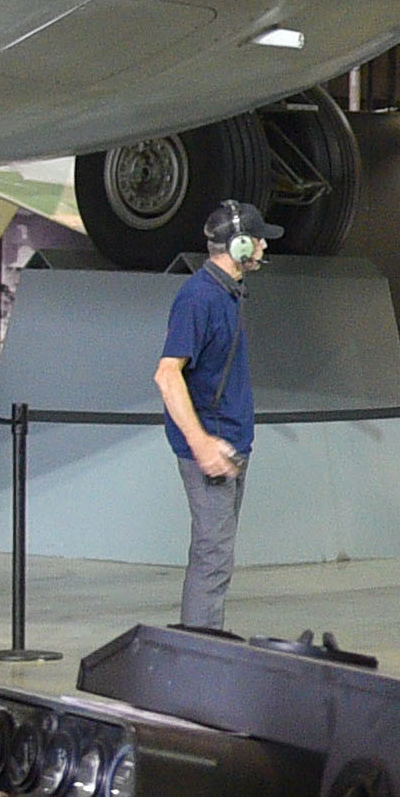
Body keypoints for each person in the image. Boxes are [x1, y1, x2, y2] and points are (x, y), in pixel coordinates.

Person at [151, 196, 270, 631]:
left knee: (216, 557)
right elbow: (167, 376)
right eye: (257, 241)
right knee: (212, 559)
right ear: (239, 245)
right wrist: (202, 445)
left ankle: (203, 649)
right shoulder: (198, 298)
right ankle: (201, 655)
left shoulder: (226, 294)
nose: (263, 249)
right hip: (212, 449)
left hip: (229, 443)